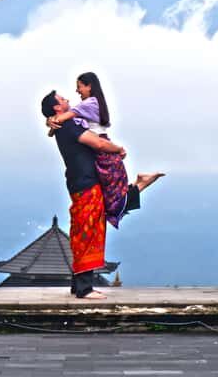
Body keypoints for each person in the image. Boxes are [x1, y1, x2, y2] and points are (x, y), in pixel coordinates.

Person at [41, 89, 162, 299]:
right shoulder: (68, 125)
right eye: (62, 99)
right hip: (85, 183)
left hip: (82, 181)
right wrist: (118, 149)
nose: (68, 98)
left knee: (92, 224)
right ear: (56, 107)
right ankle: (84, 288)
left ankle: (79, 284)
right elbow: (97, 143)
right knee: (88, 232)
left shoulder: (65, 122)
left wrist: (50, 121)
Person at [47, 72, 161, 228]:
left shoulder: (89, 104)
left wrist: (52, 120)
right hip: (104, 153)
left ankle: (143, 183)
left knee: (112, 204)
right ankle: (141, 182)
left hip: (105, 154)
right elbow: (63, 120)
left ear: (89, 86)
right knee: (110, 201)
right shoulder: (88, 105)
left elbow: (64, 119)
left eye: (79, 87)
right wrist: (50, 122)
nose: (76, 91)